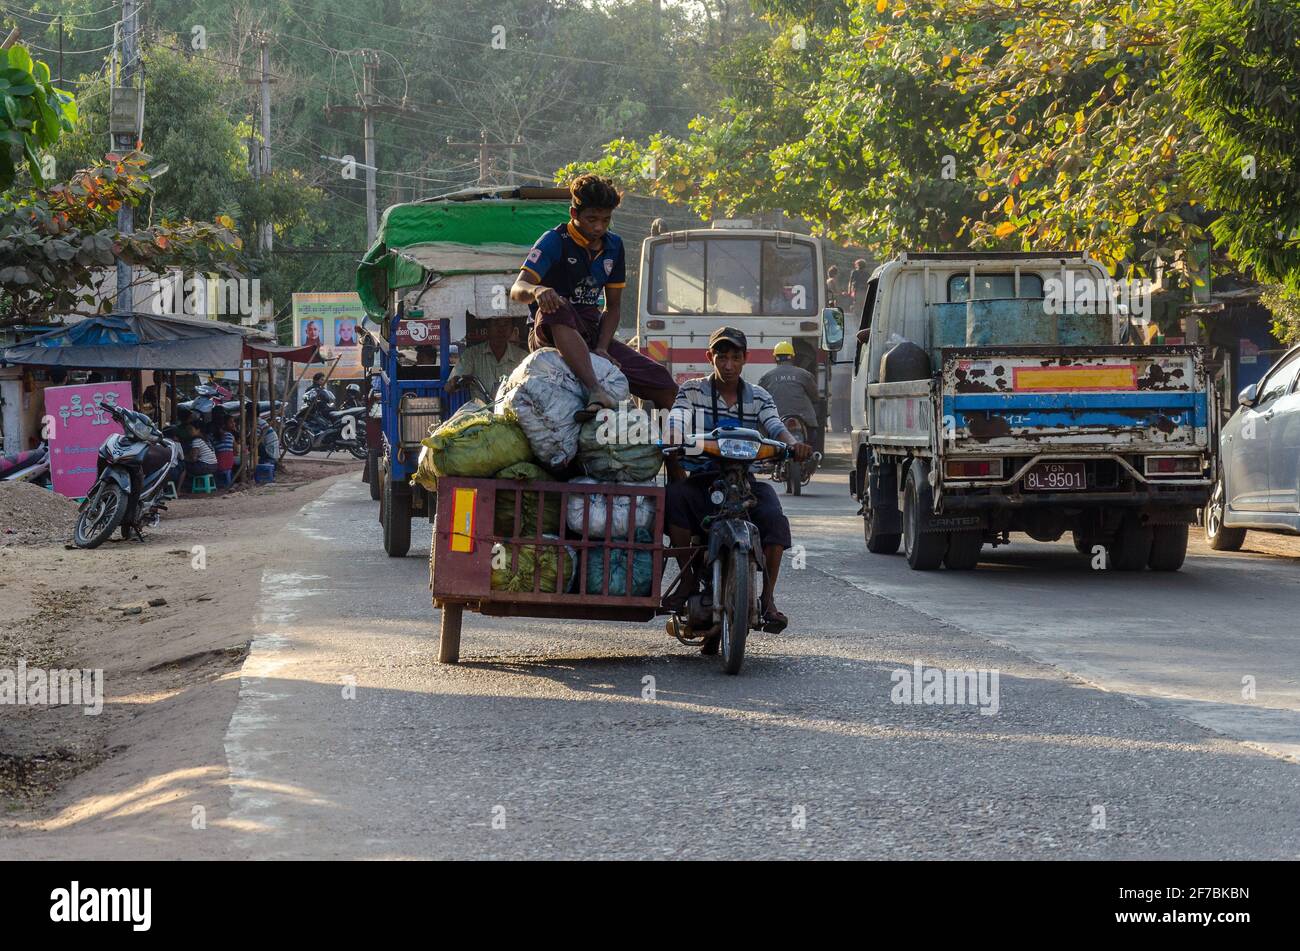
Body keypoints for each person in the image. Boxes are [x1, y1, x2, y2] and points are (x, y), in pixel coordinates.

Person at [663, 327, 813, 642]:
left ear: (744, 360)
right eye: (721, 357)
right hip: (704, 481)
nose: (728, 364)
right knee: (674, 497)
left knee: (773, 515)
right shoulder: (691, 391)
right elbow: (677, 418)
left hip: (744, 483)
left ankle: (768, 598)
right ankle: (689, 581)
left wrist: (793, 443)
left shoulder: (759, 396)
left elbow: (774, 425)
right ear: (710, 358)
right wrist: (673, 436)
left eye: (735, 357)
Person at [510, 174, 678, 415]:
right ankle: (595, 390)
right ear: (574, 214)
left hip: (592, 332)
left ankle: (670, 450)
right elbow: (517, 289)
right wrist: (538, 290)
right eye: (591, 219)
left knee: (663, 384)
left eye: (605, 220)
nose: (599, 227)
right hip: (550, 329)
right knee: (559, 305)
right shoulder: (554, 240)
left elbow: (613, 308)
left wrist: (602, 347)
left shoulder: (614, 246)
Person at [446, 317, 528, 400]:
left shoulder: (523, 358)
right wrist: (455, 382)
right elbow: (448, 387)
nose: (501, 329)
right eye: (496, 323)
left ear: (512, 328)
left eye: (506, 324)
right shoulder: (472, 355)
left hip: (514, 410)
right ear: (488, 326)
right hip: (481, 411)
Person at [758, 341, 820, 441]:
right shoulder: (804, 374)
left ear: (775, 358)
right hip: (805, 421)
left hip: (776, 422)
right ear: (792, 357)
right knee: (812, 440)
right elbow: (815, 397)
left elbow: (759, 399)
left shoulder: (767, 377)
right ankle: (814, 455)